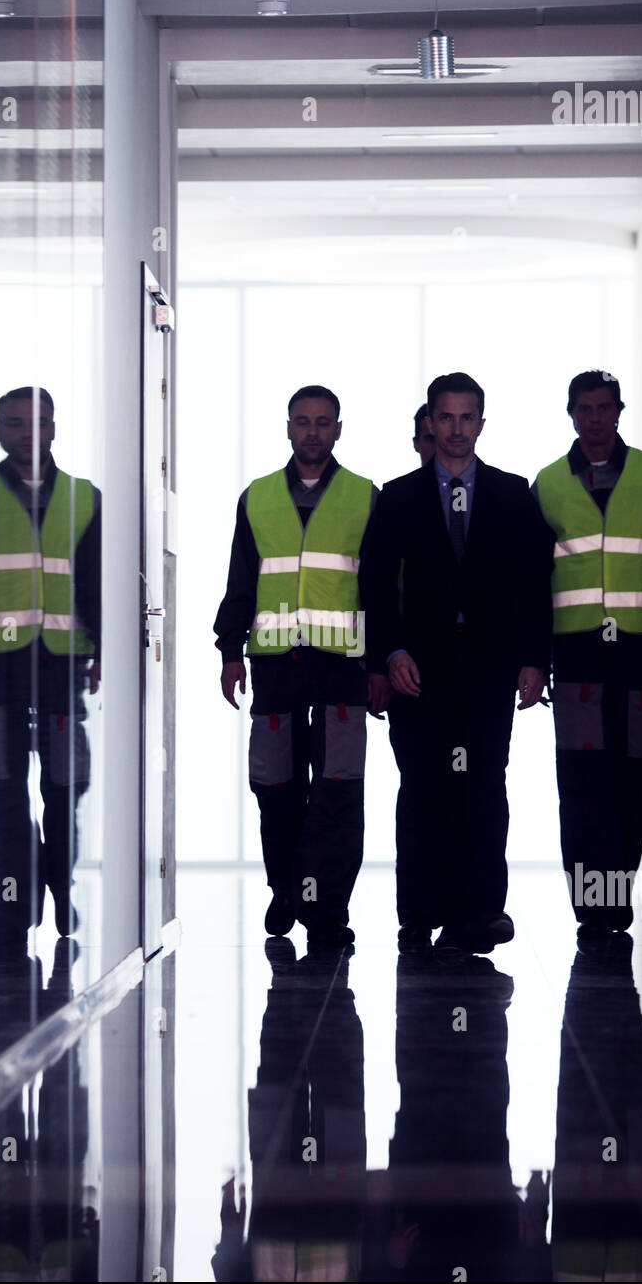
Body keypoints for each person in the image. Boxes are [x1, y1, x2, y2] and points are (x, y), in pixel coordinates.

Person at [359, 371, 550, 957]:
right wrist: (387, 655)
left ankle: (482, 911)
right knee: (423, 788)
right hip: (419, 670)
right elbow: (374, 584)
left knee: (484, 786)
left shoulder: (515, 495)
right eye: (445, 417)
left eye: (468, 418)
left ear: (482, 425)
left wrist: (533, 660)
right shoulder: (397, 498)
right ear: (429, 423)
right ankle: (419, 913)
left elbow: (533, 584)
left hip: (489, 670)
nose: (456, 429)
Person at [215, 385, 384, 948]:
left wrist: (380, 665)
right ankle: (286, 889)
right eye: (303, 422)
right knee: (275, 787)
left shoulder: (365, 497)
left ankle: (325, 907)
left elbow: (380, 590)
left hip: (341, 671)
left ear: (339, 430)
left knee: (338, 790)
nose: (313, 432)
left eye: (324, 423)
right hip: (274, 668)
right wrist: (228, 651)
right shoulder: (256, 498)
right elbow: (241, 581)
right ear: (288, 428)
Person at [0, 387, 101, 949]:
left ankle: (61, 892)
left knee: (65, 789)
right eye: (13, 424)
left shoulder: (87, 499)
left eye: (37, 423)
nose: (26, 433)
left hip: (62, 671)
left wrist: (104, 651)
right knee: (2, 794)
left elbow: (99, 584)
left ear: (54, 428)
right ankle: (10, 914)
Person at [532, 370, 642, 938]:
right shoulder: (547, 484)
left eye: (604, 408)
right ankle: (595, 910)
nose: (594, 418)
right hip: (575, 656)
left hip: (640, 652)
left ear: (619, 411)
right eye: (584, 409)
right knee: (582, 780)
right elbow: (532, 579)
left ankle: (614, 889)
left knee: (640, 770)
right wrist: (535, 657)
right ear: (571, 414)